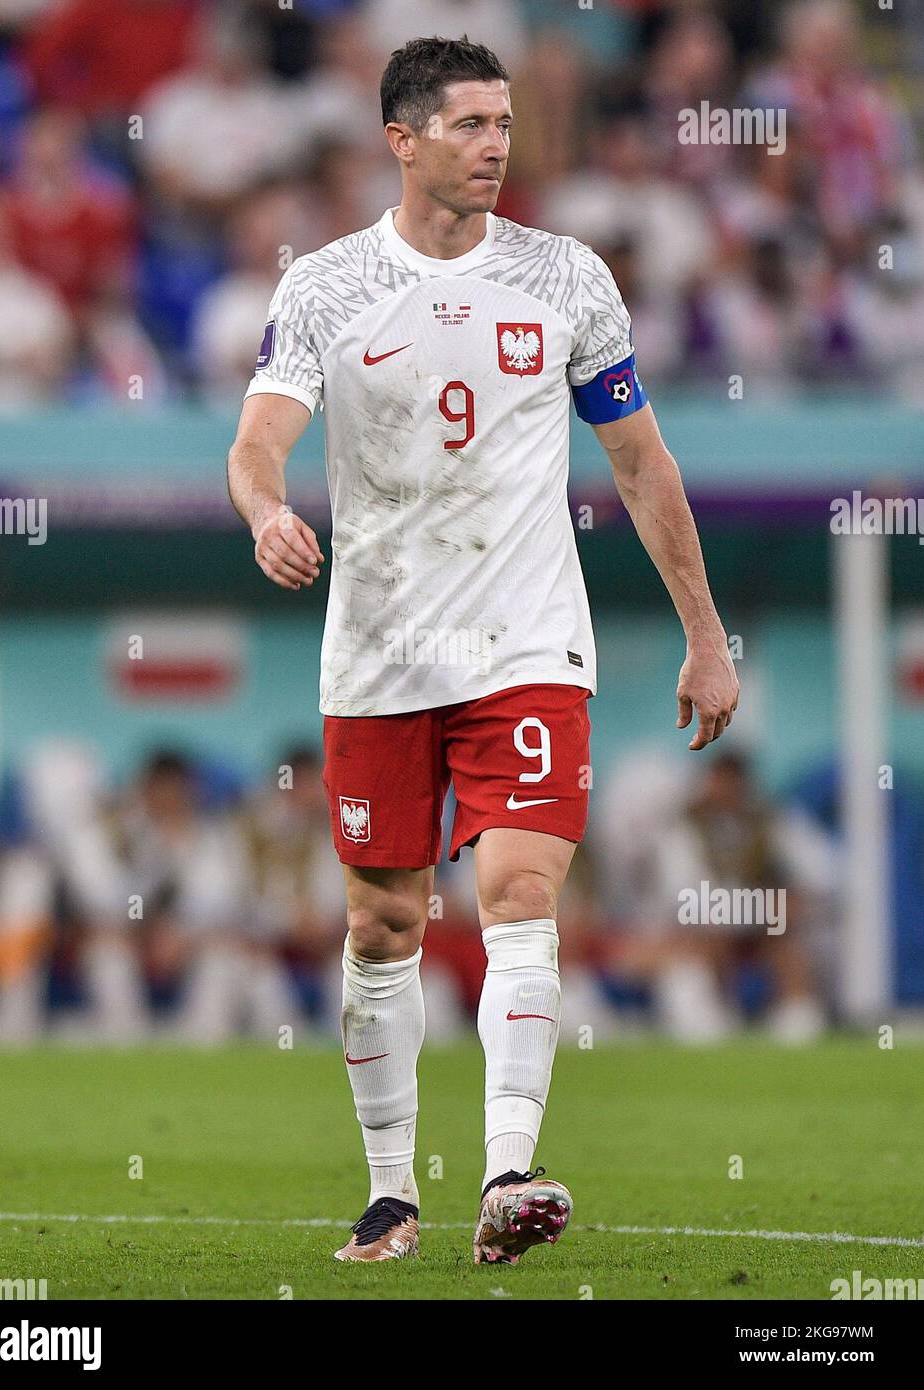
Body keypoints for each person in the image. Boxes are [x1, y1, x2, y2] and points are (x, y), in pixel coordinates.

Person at [227, 35, 738, 1267]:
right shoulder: (328, 286)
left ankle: (509, 1170)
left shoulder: (567, 279)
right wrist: (266, 512)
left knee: (518, 894)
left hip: (525, 642)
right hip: (381, 649)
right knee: (382, 925)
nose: (495, 143)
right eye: (466, 124)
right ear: (400, 139)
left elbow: (640, 464)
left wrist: (703, 633)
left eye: (502, 121)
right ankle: (391, 1192)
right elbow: (258, 440)